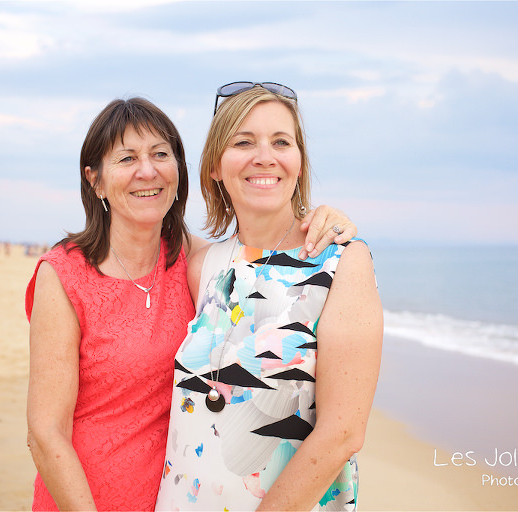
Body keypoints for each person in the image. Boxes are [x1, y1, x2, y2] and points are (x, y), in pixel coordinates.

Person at [25, 97, 357, 511]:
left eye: (160, 154)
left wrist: (327, 218)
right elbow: (45, 433)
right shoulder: (64, 274)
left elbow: (267, 260)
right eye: (127, 158)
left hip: (179, 497)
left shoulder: (198, 264)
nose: (147, 171)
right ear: (95, 181)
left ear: (179, 171)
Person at [155, 83, 383, 511]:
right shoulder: (204, 266)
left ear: (299, 163)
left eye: (281, 142)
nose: (265, 156)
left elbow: (343, 433)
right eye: (244, 142)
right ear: (215, 166)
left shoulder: (341, 263)